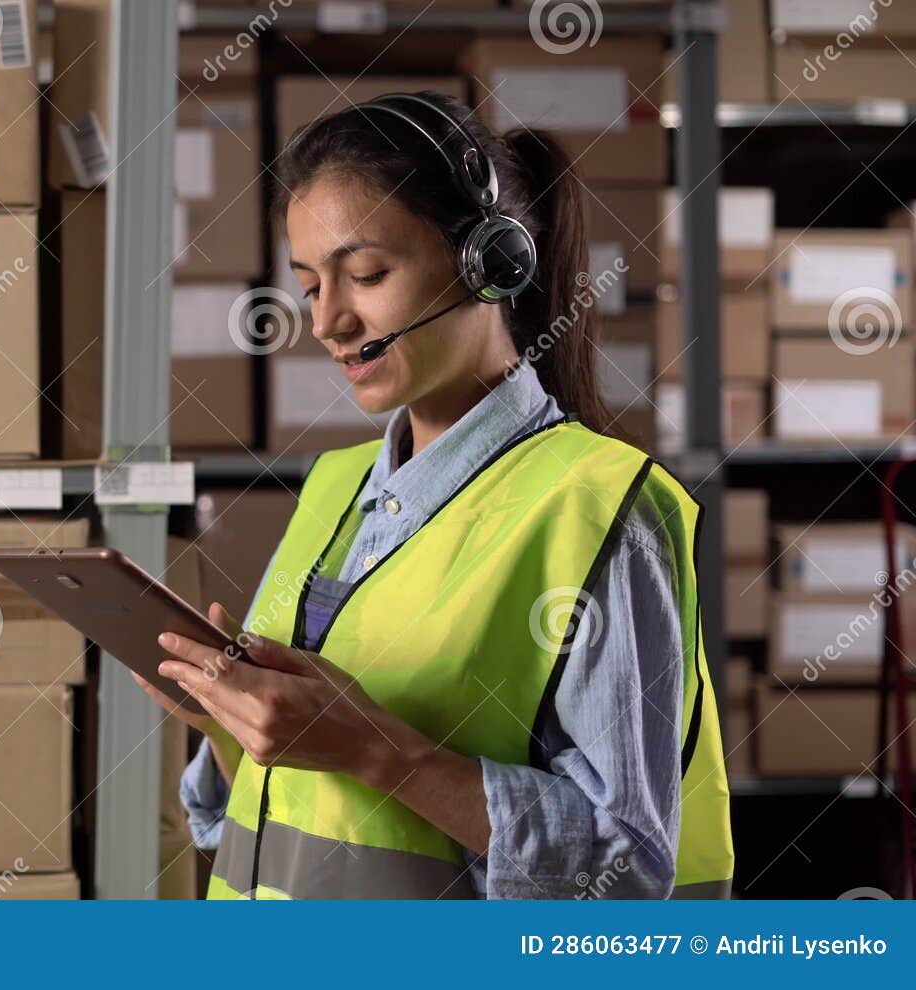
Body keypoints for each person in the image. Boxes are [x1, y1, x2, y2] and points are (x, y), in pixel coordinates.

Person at [133, 92, 733, 900]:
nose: (329, 321)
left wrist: (380, 750)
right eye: (310, 286)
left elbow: (624, 870)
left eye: (367, 275)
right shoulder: (336, 489)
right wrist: (227, 714)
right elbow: (297, 819)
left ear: (492, 262)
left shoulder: (596, 510)